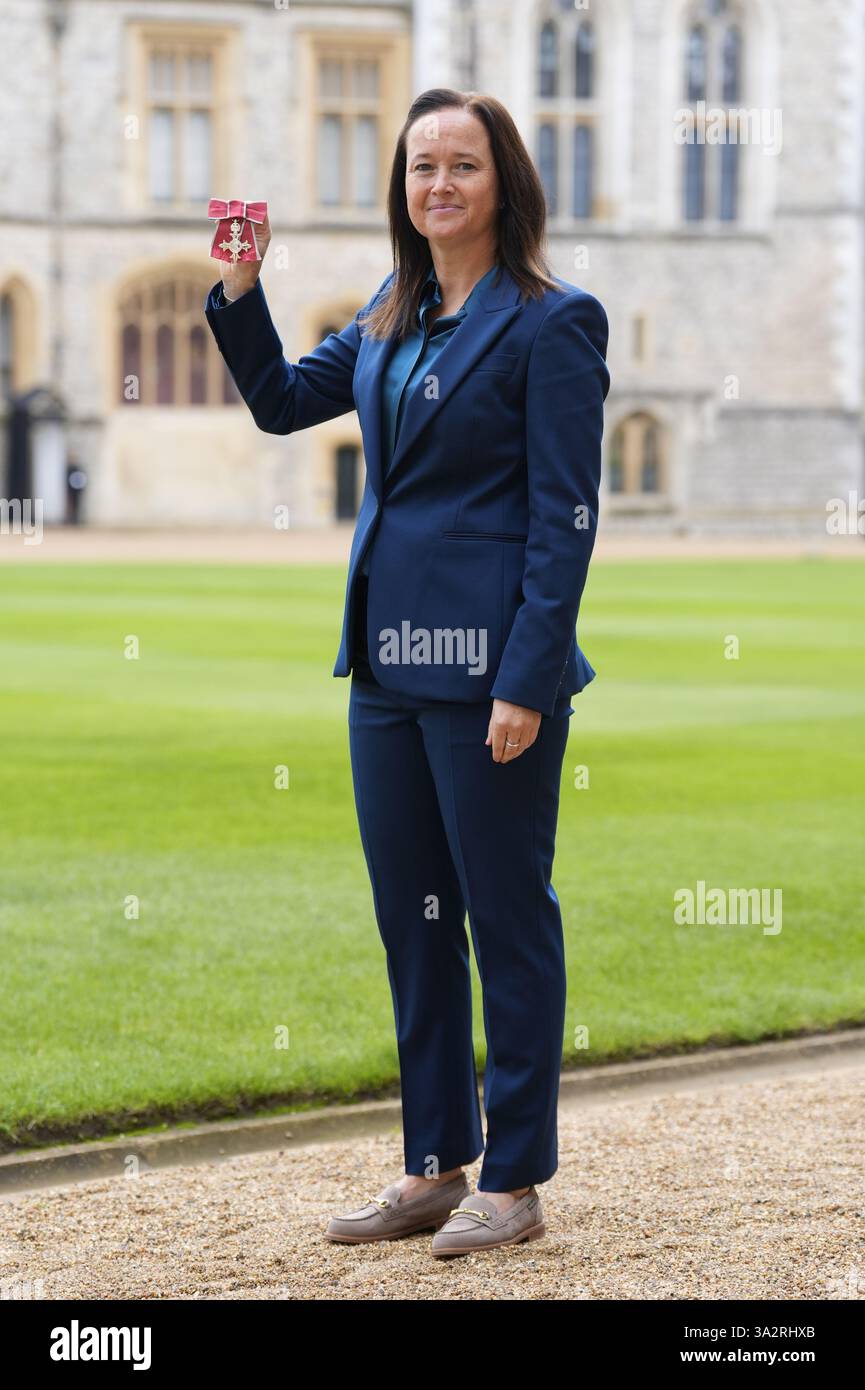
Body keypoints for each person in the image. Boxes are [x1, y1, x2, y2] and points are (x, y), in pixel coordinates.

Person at [203, 87, 610, 1258]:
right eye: (421, 164)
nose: (438, 183)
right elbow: (281, 402)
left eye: (462, 165)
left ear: (503, 185)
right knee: (415, 920)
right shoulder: (391, 312)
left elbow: (563, 519)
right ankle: (434, 1161)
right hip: (383, 668)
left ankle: (516, 1177)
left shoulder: (552, 322)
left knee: (505, 916)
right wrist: (240, 286)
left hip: (491, 674)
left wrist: (528, 680)